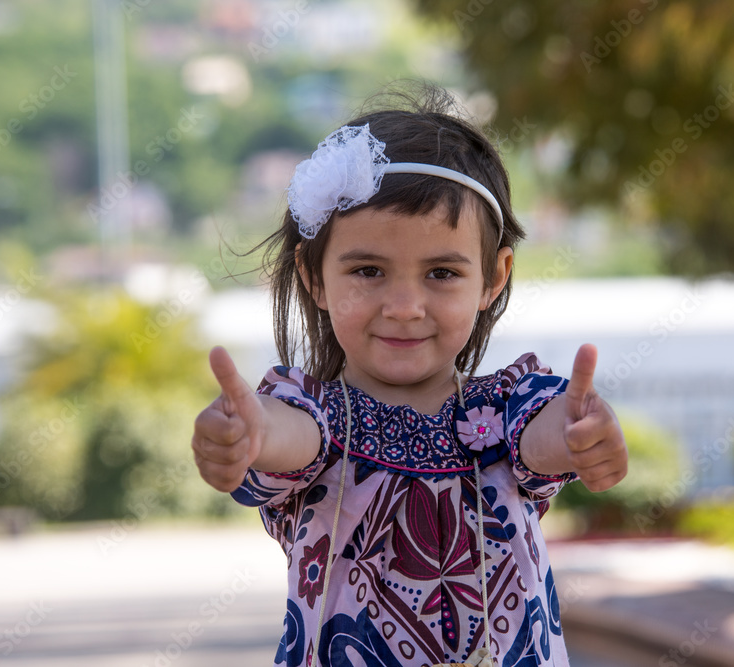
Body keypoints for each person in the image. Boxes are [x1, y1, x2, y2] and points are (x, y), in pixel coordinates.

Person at [191, 84, 628, 667]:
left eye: (441, 272)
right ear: (314, 276)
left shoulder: (503, 413)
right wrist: (248, 435)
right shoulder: (315, 417)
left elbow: (543, 435)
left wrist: (581, 435)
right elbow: (285, 435)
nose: (404, 306)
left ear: (493, 278)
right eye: (368, 270)